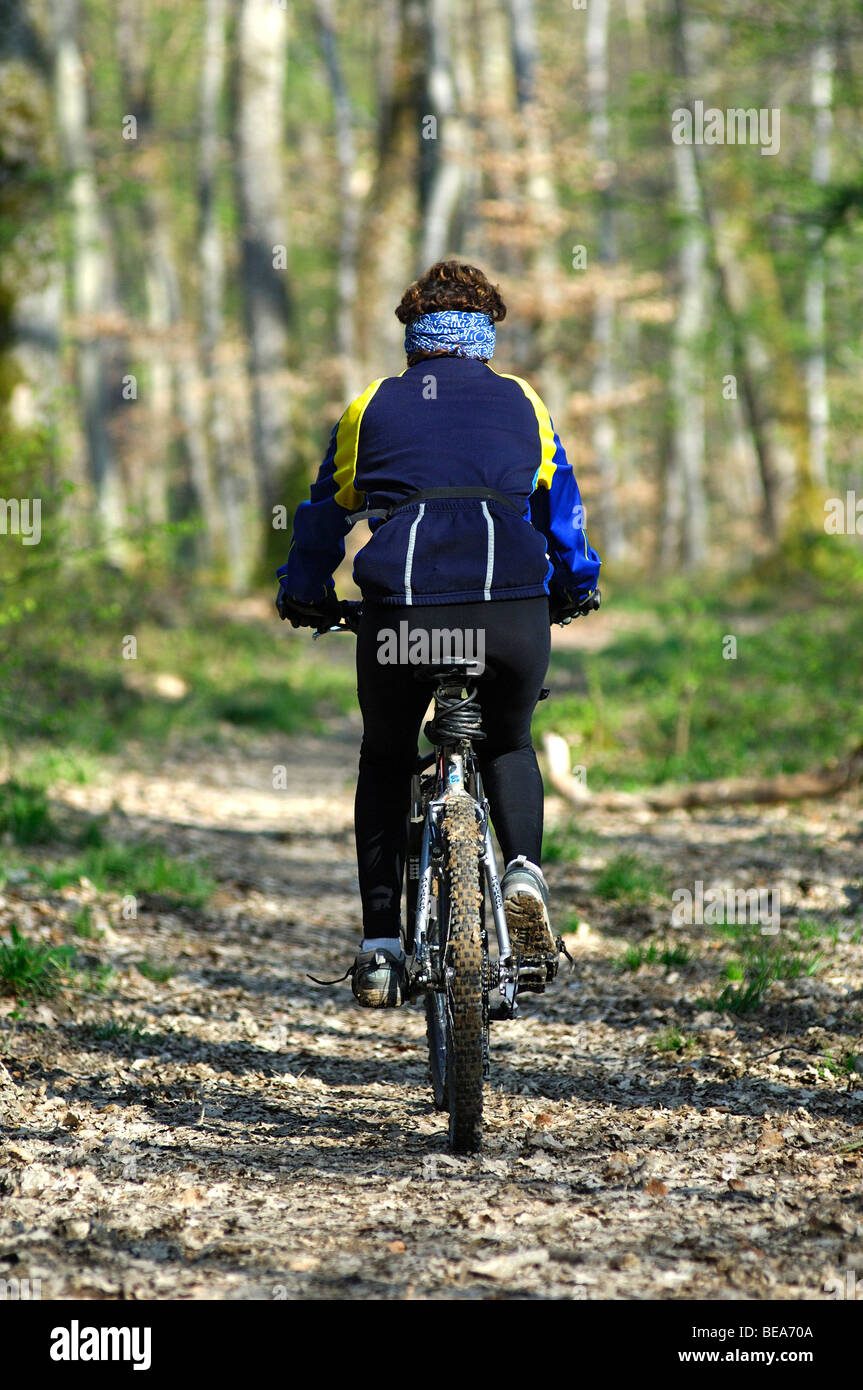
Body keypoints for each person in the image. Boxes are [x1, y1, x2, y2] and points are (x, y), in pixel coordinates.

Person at [277, 261, 600, 1007]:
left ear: (411, 338)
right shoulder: (524, 402)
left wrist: (304, 595)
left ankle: (383, 944)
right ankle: (521, 872)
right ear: (485, 335)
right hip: (510, 613)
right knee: (509, 743)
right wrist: (575, 587)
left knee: (388, 757)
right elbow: (561, 513)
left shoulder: (370, 408)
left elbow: (324, 512)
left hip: (403, 618)